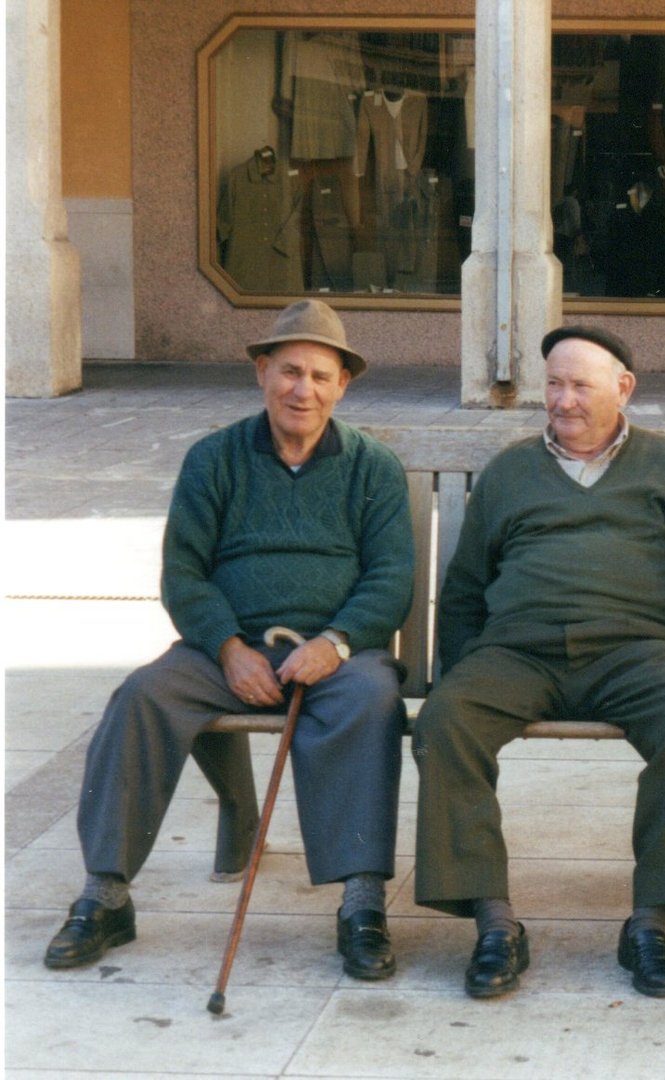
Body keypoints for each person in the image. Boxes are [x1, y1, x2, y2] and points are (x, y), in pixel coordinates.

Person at [44, 300, 414, 981]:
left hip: (336, 654)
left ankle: (361, 906)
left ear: (342, 385)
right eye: (289, 372)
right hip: (229, 650)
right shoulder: (213, 458)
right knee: (142, 696)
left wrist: (335, 642)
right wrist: (226, 647)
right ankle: (105, 893)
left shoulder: (373, 467)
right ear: (261, 373)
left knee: (372, 700)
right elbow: (182, 571)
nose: (303, 390)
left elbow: (390, 579)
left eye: (320, 376)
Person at [411, 326, 665, 1001]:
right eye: (553, 383)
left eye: (580, 385)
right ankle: (493, 922)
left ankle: (651, 921)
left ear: (623, 388)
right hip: (520, 649)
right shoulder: (511, 470)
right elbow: (466, 588)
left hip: (637, 649)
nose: (563, 399)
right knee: (444, 721)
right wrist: (464, 673)